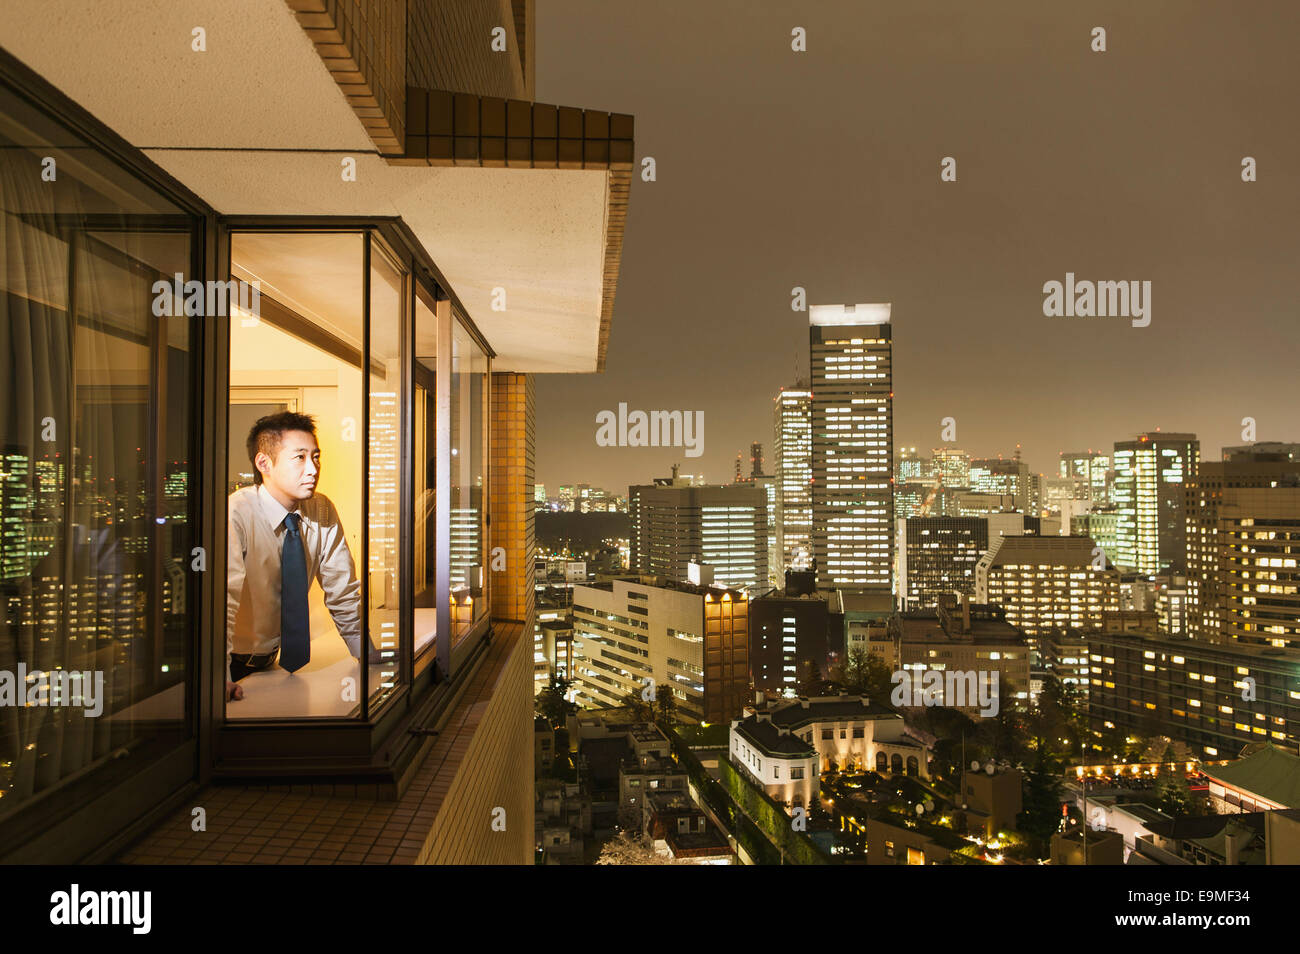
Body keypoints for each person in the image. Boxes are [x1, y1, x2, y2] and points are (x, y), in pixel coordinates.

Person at [225, 411, 373, 702]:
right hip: (231, 666)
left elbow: (341, 589)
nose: (313, 469)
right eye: (300, 457)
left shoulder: (321, 510)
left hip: (274, 666)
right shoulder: (236, 514)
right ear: (264, 463)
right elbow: (222, 603)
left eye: (316, 457)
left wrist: (366, 655)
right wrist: (217, 676)